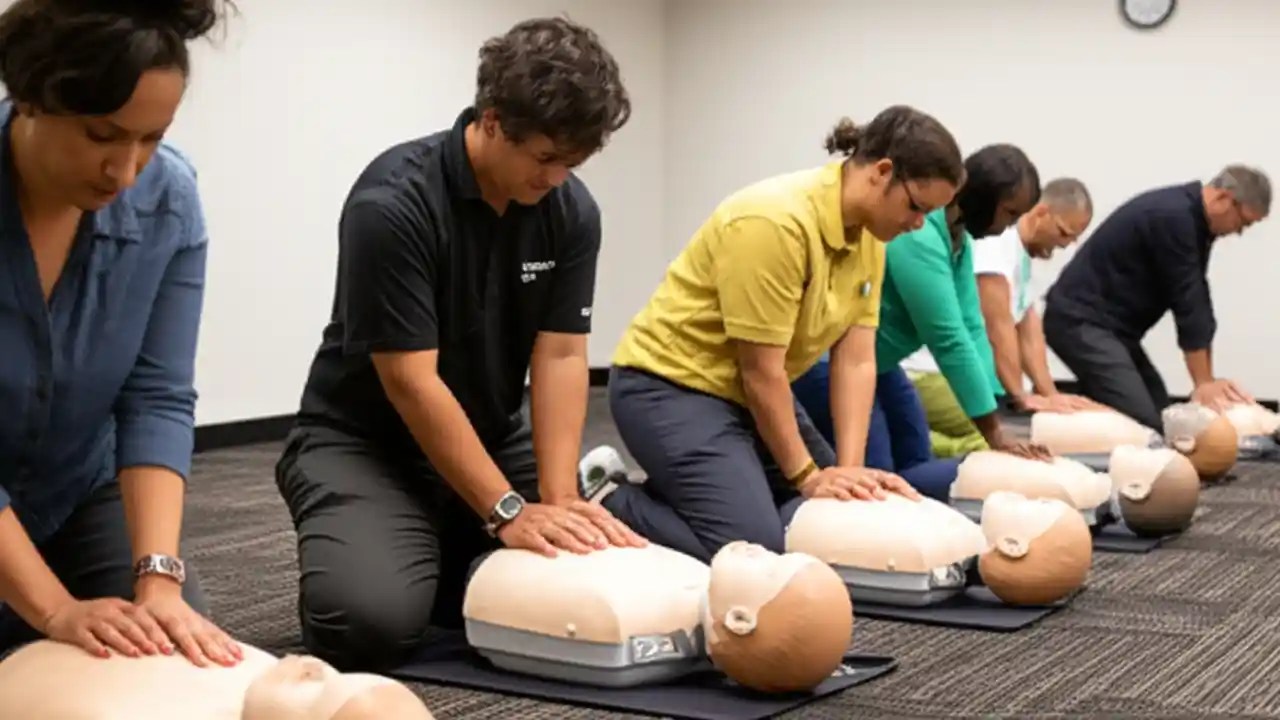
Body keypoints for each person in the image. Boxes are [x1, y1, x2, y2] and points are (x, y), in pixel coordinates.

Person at [274, 17, 643, 673]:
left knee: (611, 566)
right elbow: (412, 381)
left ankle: (453, 542)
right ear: (493, 121)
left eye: (573, 164)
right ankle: (420, 539)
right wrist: (506, 510)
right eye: (546, 159)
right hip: (366, 444)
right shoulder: (393, 202)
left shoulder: (571, 210)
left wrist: (555, 496)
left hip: (492, 432)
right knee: (371, 627)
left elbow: (559, 355)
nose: (557, 179)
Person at [580, 106, 966, 564]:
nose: (919, 224)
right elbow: (760, 372)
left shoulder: (870, 237)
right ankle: (606, 499)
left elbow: (857, 359)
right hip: (670, 389)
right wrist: (806, 474)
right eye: (917, 207)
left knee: (836, 511)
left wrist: (848, 467)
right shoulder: (773, 222)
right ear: (882, 173)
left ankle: (693, 493)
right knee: (751, 547)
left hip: (745, 395)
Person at [0, 0, 241, 667]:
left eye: (152, 137)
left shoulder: (169, 202)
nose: (127, 170)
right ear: (31, 98)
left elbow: (157, 396)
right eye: (103, 135)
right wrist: (53, 609)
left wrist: (158, 579)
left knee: (176, 657)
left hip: (77, 493)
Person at [793, 144, 1049, 500]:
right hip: (829, 366)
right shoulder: (920, 234)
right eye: (1008, 213)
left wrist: (997, 409)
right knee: (881, 477)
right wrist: (994, 434)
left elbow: (973, 326)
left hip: (880, 363)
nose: (1007, 228)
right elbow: (947, 336)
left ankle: (992, 473)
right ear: (981, 195)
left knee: (916, 456)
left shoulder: (958, 240)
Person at [1043, 166, 1271, 428]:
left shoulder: (1192, 221)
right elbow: (1188, 304)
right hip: (1080, 322)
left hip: (1114, 332)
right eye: (1242, 222)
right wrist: (1204, 384)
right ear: (1222, 199)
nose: (1238, 232)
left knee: (1164, 417)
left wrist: (1206, 381)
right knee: (1144, 423)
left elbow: (1198, 302)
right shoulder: (1174, 218)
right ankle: (1062, 437)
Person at [902, 177, 1103, 457]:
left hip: (963, 375)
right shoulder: (996, 245)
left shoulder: (1021, 255)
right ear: (1041, 213)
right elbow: (999, 330)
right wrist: (1021, 397)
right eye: (1064, 232)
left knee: (1000, 435)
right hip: (932, 373)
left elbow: (1029, 332)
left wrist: (1051, 396)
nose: (1067, 244)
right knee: (994, 439)